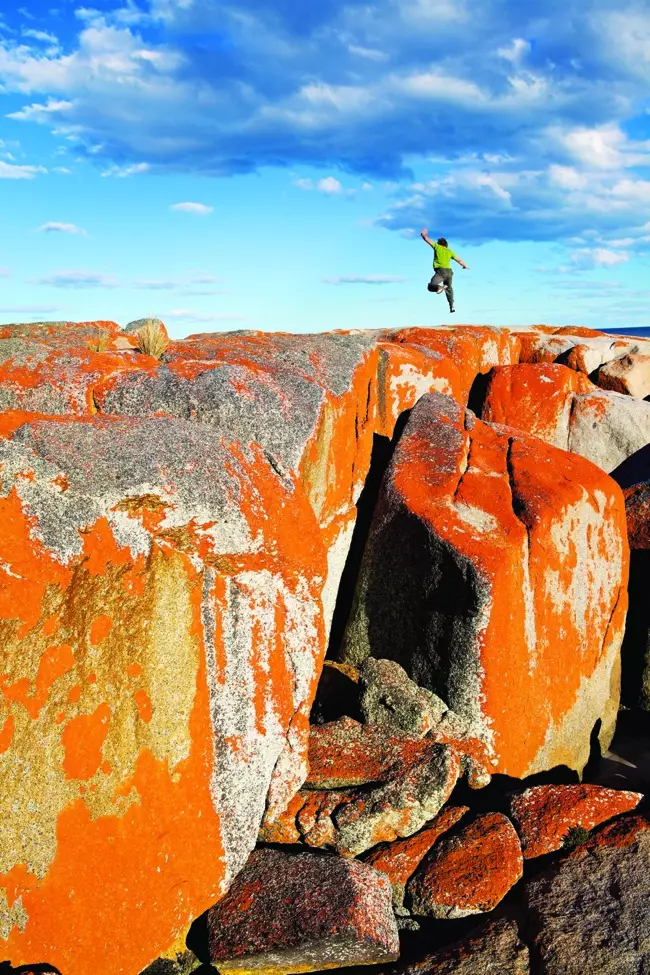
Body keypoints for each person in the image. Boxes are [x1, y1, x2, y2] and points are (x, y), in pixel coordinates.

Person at [420, 229, 470, 314]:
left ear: (440, 244)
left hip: (441, 272)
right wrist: (465, 265)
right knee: (449, 288)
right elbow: (459, 260)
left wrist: (423, 235)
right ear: (446, 245)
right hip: (449, 273)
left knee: (431, 286)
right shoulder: (450, 251)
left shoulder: (437, 247)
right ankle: (452, 306)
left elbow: (427, 240)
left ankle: (439, 287)